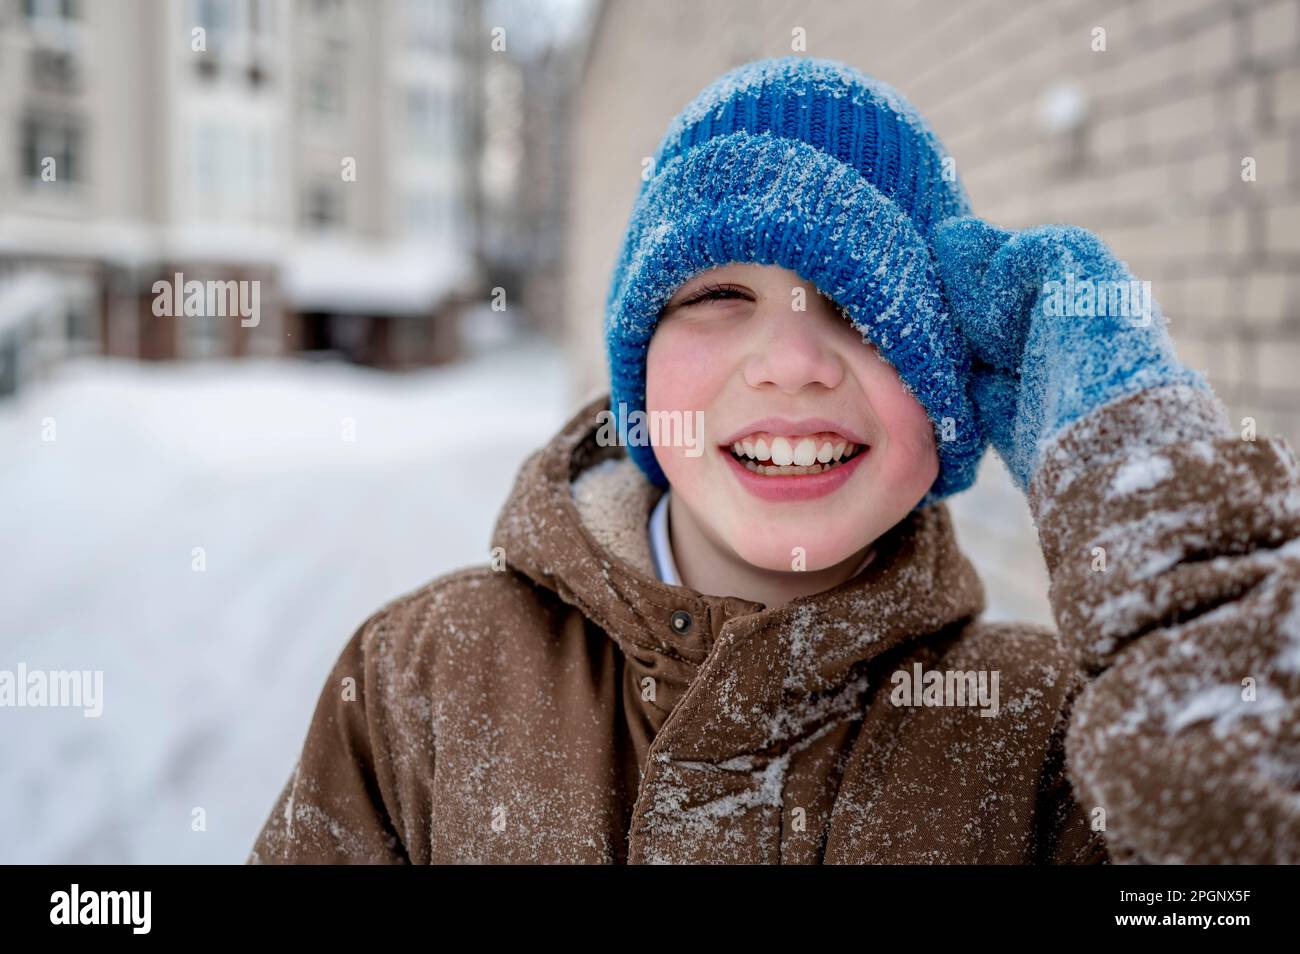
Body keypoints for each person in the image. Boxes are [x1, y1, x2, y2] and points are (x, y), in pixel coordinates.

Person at [247, 56, 1300, 864]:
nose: (793, 362)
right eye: (715, 296)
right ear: (639, 373)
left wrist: (1156, 514)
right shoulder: (419, 676)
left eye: (860, 306)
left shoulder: (1049, 737)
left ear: (952, 383)